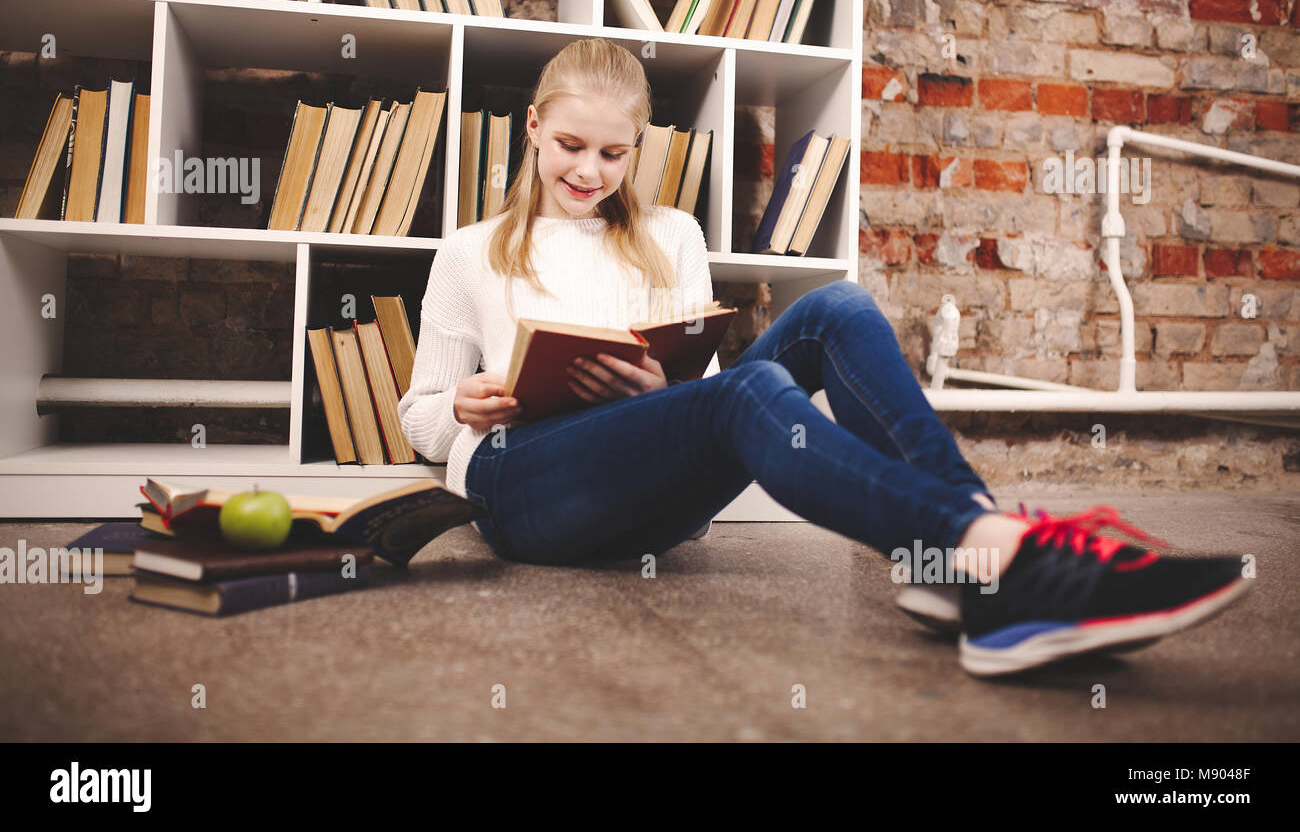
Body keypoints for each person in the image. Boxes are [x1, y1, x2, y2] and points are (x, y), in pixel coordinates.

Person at [397, 38, 1252, 677]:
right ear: (535, 128)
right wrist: (467, 407)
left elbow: (691, 397)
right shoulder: (472, 252)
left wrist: (662, 387)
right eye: (570, 147)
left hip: (649, 500)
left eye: (612, 153)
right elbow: (420, 423)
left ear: (639, 146)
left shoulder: (672, 236)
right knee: (749, 392)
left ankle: (965, 563)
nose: (588, 170)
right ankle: (1001, 556)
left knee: (834, 306)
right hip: (521, 488)